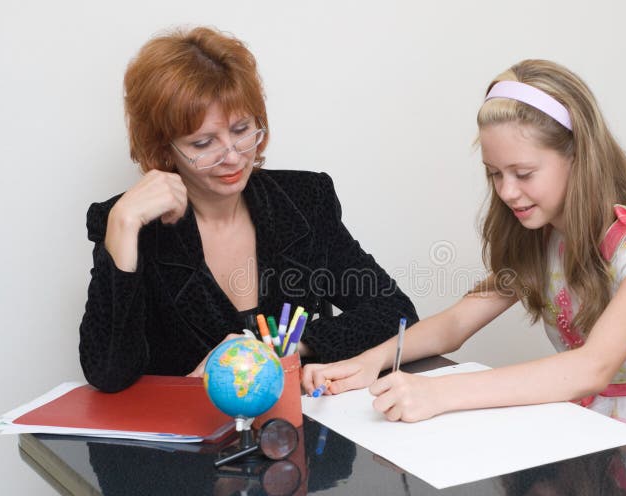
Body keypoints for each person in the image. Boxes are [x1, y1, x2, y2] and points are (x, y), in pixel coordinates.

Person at [302, 59, 626, 496]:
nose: (507, 191)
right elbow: (456, 325)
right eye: (494, 174)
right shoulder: (542, 238)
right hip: (597, 429)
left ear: (577, 156)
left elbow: (592, 367)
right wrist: (373, 360)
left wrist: (437, 393)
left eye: (523, 172)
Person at [78, 25, 418, 394]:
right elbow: (108, 374)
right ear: (164, 149)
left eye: (242, 129)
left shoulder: (303, 201)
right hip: (190, 442)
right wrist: (123, 228)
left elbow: (395, 312)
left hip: (297, 429)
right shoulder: (133, 223)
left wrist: (277, 347)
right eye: (204, 142)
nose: (233, 155)